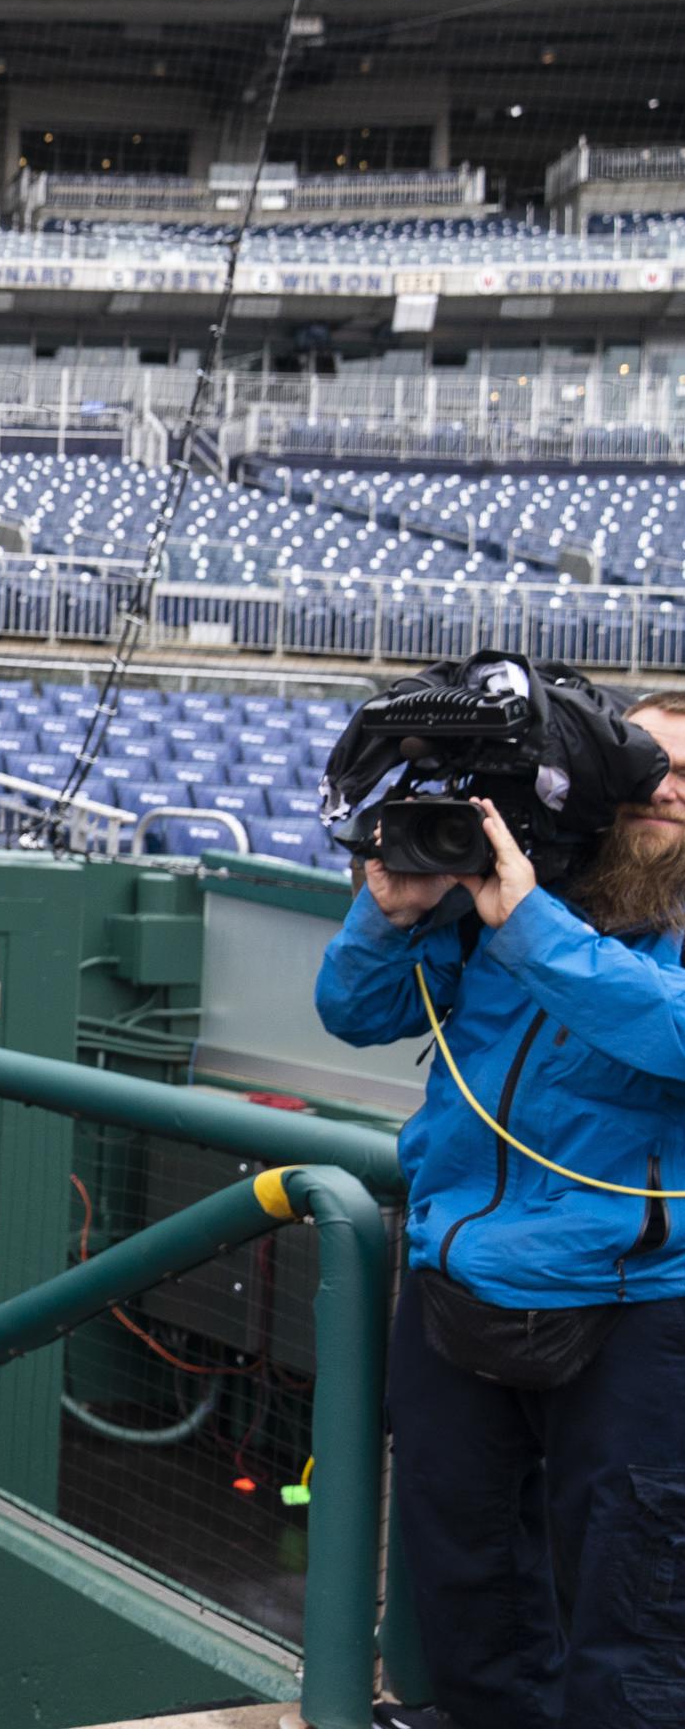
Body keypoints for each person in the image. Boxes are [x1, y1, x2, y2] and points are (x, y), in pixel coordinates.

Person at [317, 693, 685, 1729]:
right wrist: (392, 907)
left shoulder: (527, 912)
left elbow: (673, 1033)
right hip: (459, 1275)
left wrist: (528, 926)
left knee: (634, 1598)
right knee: (468, 1575)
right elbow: (356, 1010)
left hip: (638, 1299)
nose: (663, 788)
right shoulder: (519, 885)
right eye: (645, 762)